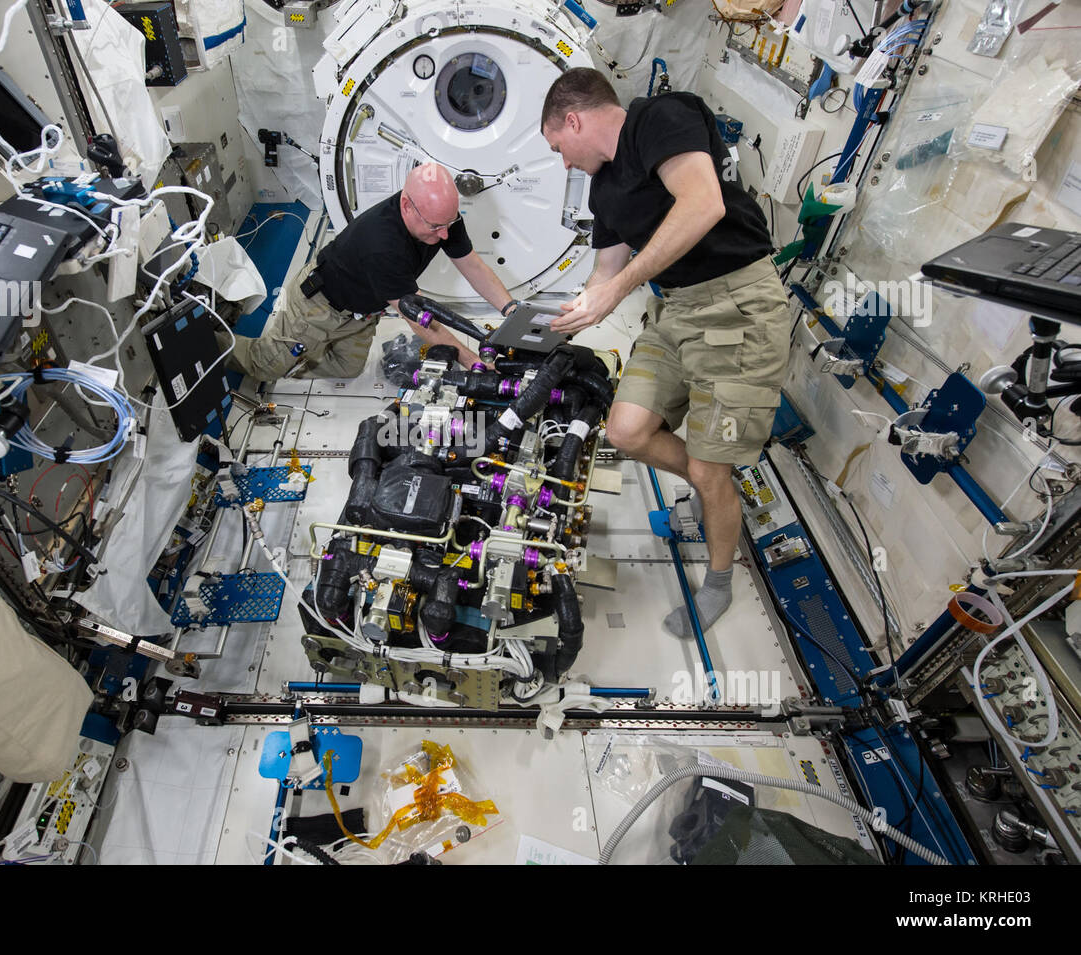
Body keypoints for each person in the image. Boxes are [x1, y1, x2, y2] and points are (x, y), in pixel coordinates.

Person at [540, 68, 793, 638]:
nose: (564, 163)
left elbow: (703, 204)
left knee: (708, 466)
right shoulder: (603, 189)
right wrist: (562, 318)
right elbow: (604, 273)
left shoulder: (660, 116)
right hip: (675, 310)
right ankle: (715, 489)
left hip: (739, 308)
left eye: (559, 147)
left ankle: (720, 578)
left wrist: (619, 287)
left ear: (574, 119)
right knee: (627, 432)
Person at [226, 164, 517, 381]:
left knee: (348, 369)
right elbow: (421, 322)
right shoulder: (382, 245)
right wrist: (474, 363)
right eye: (434, 227)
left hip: (361, 314)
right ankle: (206, 343)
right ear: (407, 206)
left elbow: (473, 266)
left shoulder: (442, 218)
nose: (444, 235)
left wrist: (511, 310)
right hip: (318, 307)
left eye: (448, 224)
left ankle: (300, 351)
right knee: (264, 368)